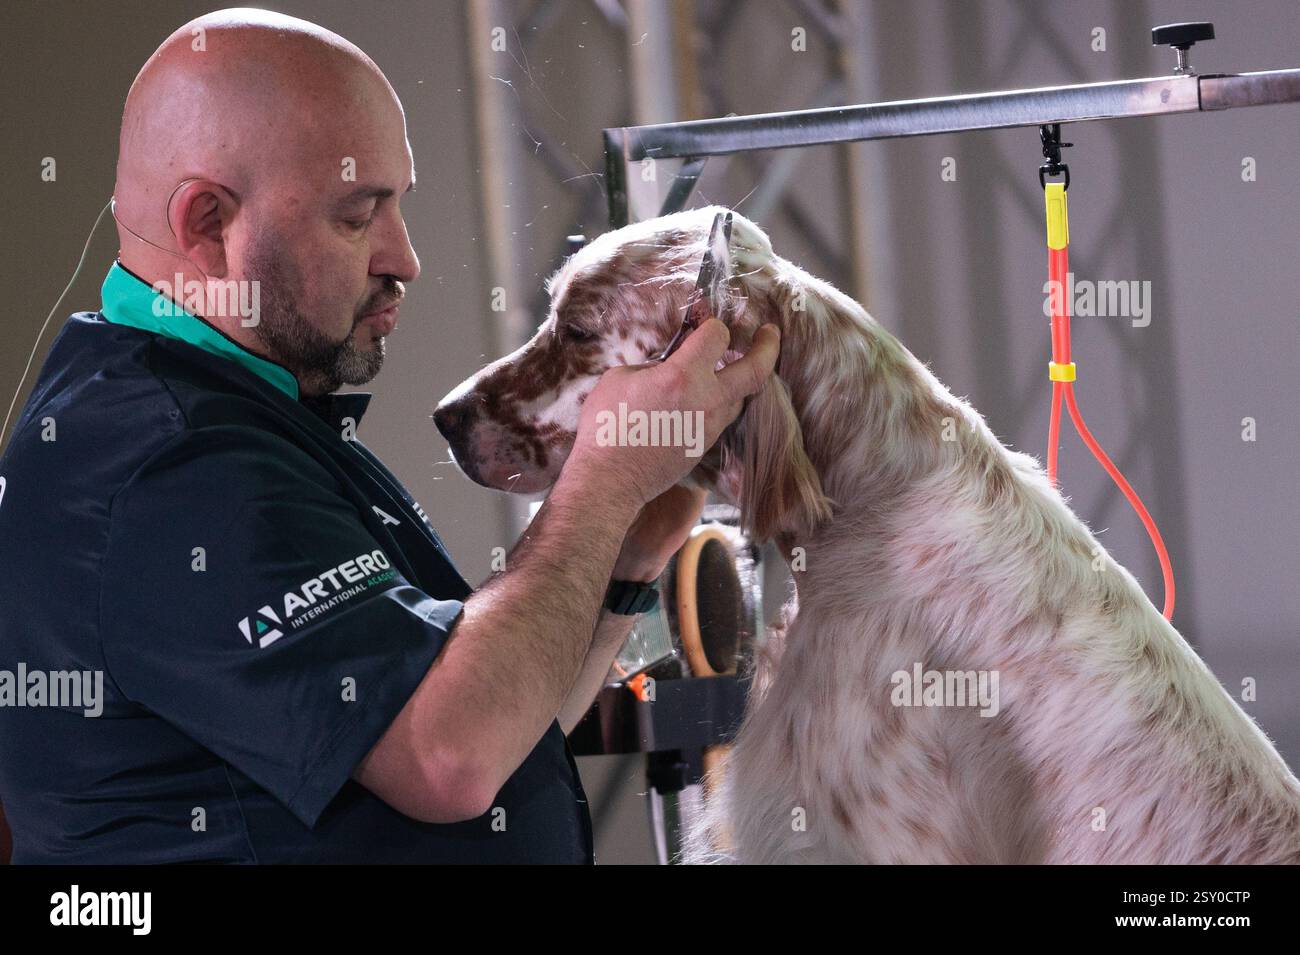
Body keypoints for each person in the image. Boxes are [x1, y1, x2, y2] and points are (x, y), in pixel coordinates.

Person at [0, 9, 778, 863]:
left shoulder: (240, 415)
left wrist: (619, 556)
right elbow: (449, 758)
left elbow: (501, 717)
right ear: (208, 223)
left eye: (398, 204)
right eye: (356, 215)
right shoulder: (169, 465)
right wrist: (600, 480)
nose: (403, 256)